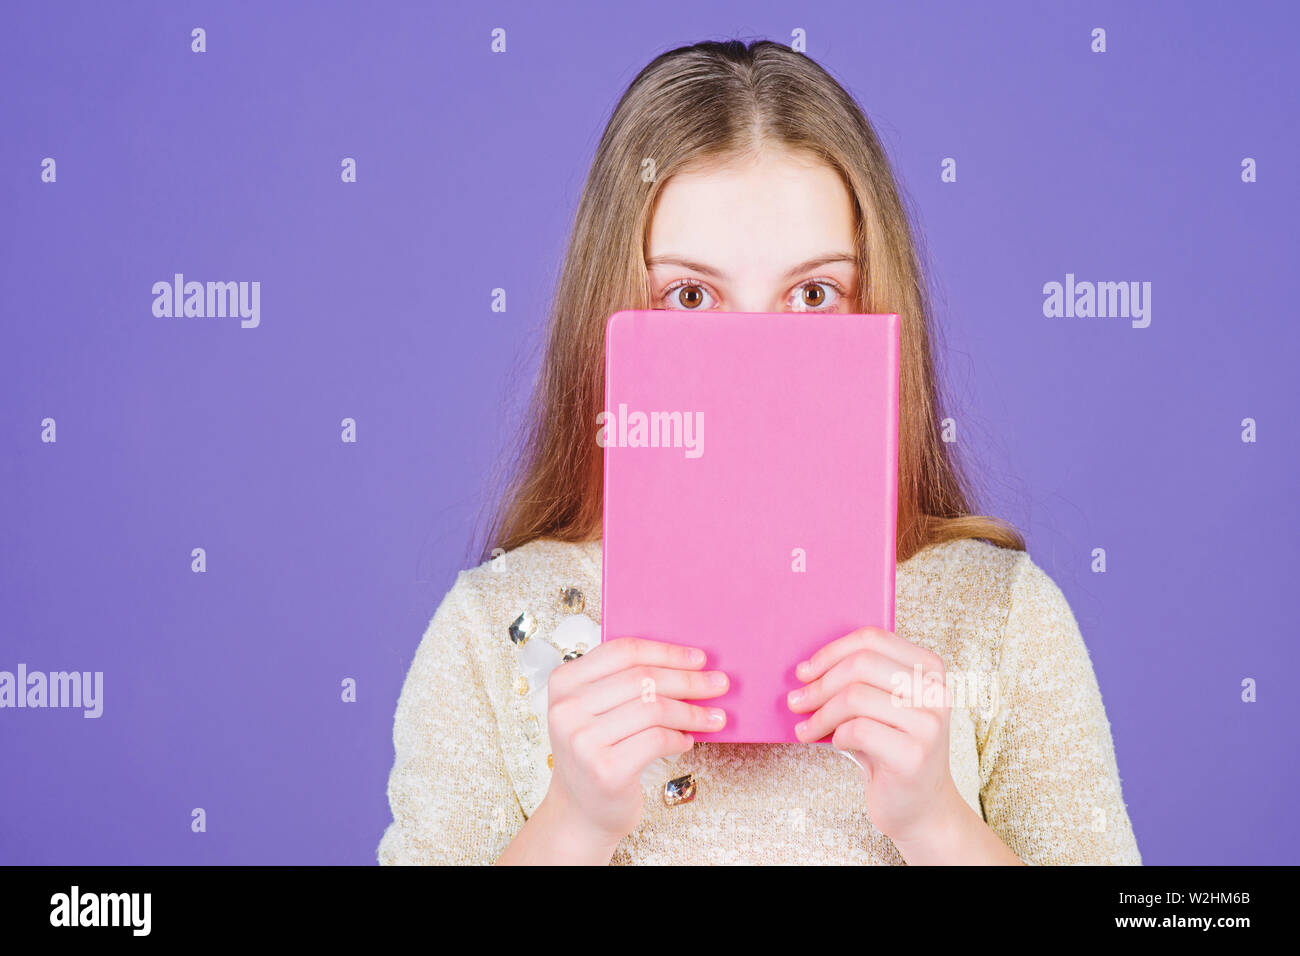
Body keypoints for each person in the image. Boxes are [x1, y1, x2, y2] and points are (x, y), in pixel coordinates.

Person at [377, 38, 1141, 865]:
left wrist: (938, 824)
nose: (752, 358)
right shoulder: (492, 628)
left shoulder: (1000, 617)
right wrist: (574, 824)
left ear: (874, 307)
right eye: (691, 295)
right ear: (613, 314)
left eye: (812, 294)